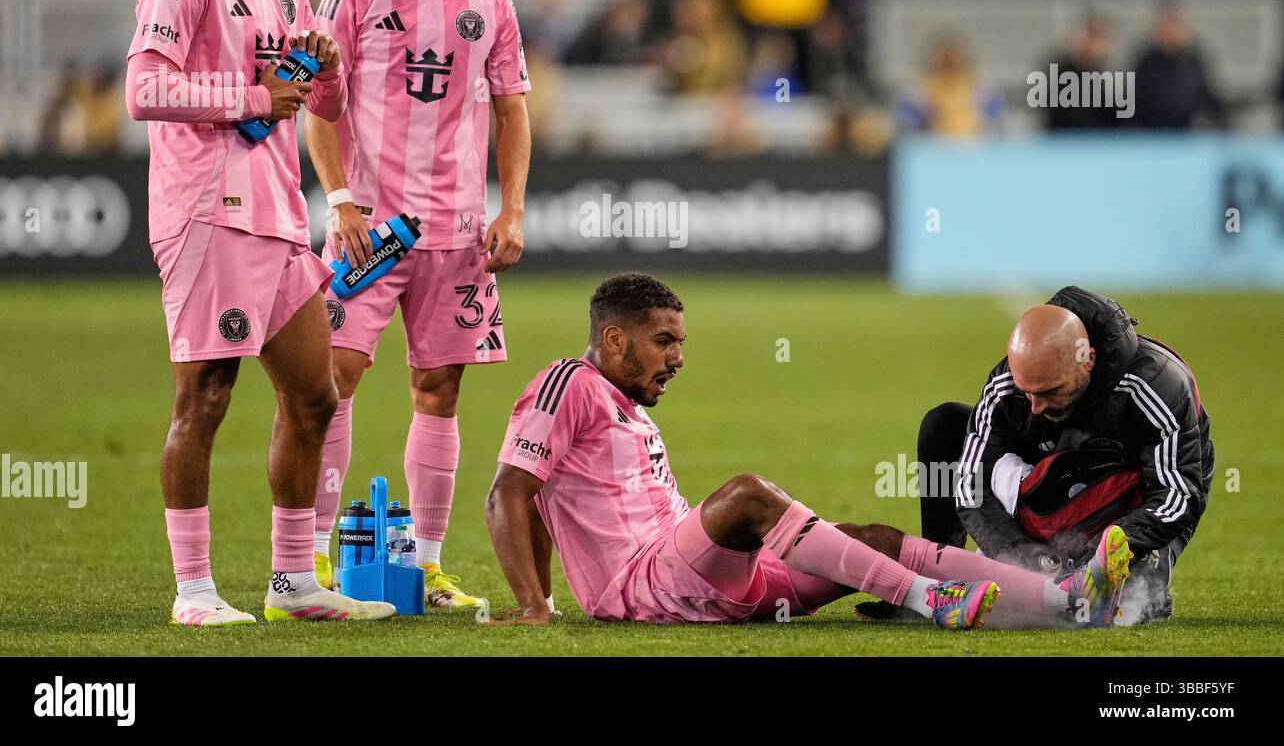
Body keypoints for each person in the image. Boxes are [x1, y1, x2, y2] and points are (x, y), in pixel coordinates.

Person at [483, 273, 1132, 629]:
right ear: (615, 339)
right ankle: (929, 601)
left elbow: (541, 500)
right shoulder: (570, 383)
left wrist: (545, 591)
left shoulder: (625, 409)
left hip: (704, 579)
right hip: (649, 587)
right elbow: (511, 491)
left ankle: (1068, 599)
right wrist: (536, 605)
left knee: (873, 539)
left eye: (680, 342)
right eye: (663, 342)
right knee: (747, 496)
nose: (678, 359)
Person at [124, 0, 395, 625]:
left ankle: (291, 584)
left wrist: (333, 74)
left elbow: (311, 98)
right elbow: (143, 89)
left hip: (278, 213)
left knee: (316, 398)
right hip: (208, 212)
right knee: (205, 399)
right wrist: (250, 95)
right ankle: (195, 591)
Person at [306, 0, 532, 609]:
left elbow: (512, 111)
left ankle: (429, 569)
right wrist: (340, 201)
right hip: (370, 233)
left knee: (438, 389)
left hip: (456, 234)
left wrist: (512, 208)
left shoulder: (491, 4)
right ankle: (312, 563)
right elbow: (320, 109)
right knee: (330, 383)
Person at [911, 286, 1213, 624]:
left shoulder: (1157, 384)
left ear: (1088, 361)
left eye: (1049, 392)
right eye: (1027, 394)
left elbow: (1179, 494)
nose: (1035, 408)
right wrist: (1025, 557)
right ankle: (937, 581)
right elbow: (970, 486)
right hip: (1059, 472)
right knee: (945, 425)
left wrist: (1109, 550)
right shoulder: (1010, 382)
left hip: (1130, 497)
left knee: (1125, 605)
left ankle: (1146, 577)